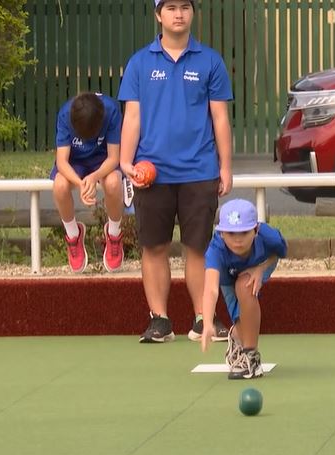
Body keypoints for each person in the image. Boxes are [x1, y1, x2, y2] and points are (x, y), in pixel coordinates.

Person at [119, 0, 234, 343]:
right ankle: (160, 320)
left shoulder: (210, 61)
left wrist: (225, 167)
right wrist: (126, 163)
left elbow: (220, 118)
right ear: (158, 15)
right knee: (153, 246)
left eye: (185, 6)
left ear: (193, 13)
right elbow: (133, 118)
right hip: (151, 171)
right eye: (170, 7)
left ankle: (204, 319)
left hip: (200, 170)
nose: (178, 13)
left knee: (197, 247)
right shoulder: (140, 63)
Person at [200, 199, 287, 379]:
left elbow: (279, 253)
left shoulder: (268, 236)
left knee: (244, 285)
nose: (238, 239)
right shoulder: (215, 249)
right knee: (243, 326)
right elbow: (210, 289)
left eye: (244, 232)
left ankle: (251, 357)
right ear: (221, 233)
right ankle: (235, 336)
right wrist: (207, 323)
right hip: (227, 278)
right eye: (231, 233)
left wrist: (260, 268)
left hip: (260, 265)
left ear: (255, 230)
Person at [51, 91, 124, 274]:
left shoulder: (111, 110)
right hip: (75, 163)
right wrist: (81, 182)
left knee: (114, 183)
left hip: (103, 160)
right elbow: (62, 161)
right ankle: (73, 235)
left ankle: (114, 234)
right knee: (59, 186)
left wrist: (94, 176)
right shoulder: (65, 113)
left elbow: (114, 158)